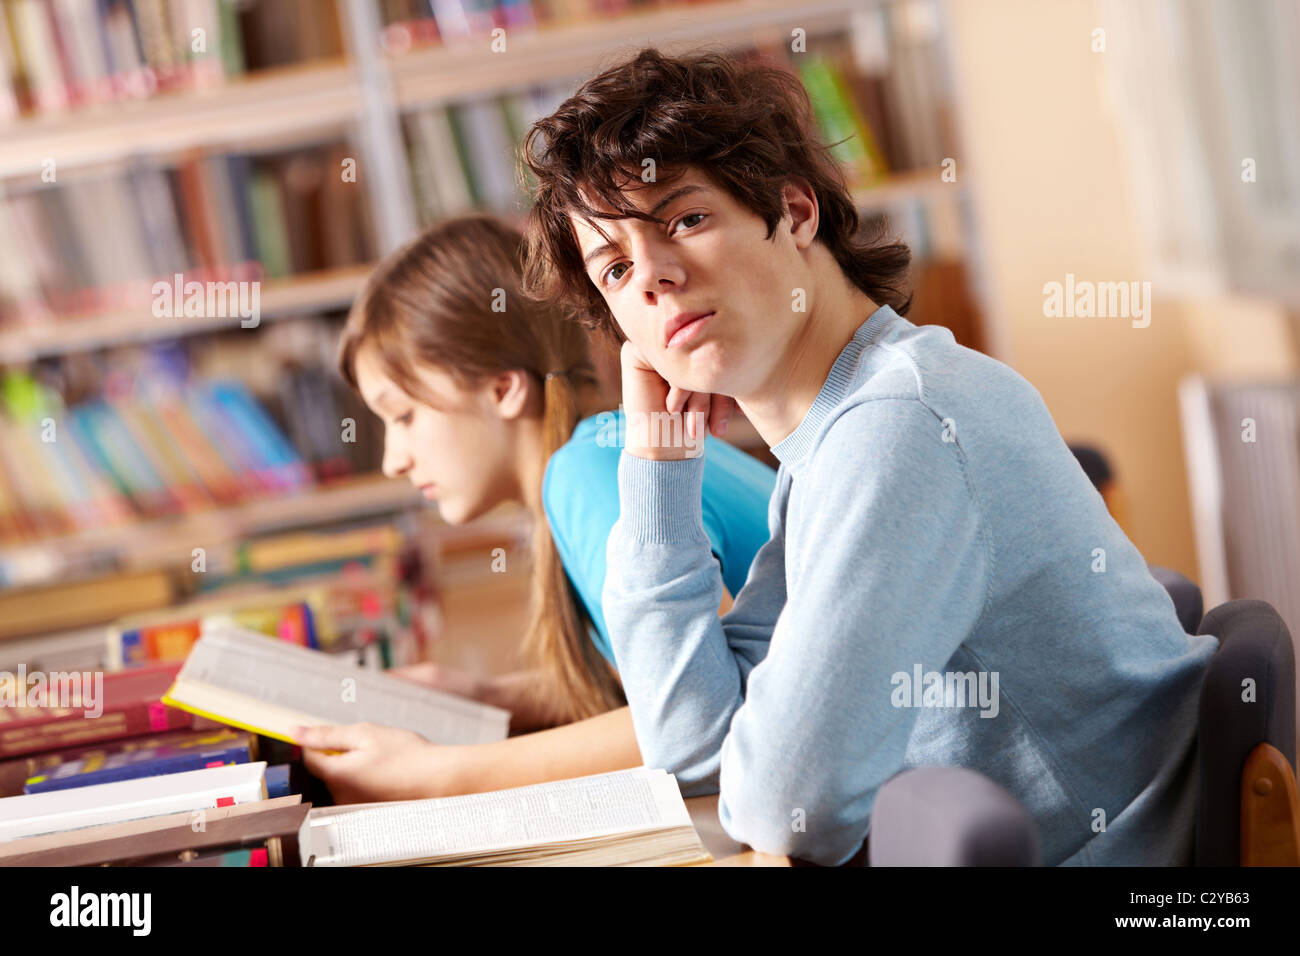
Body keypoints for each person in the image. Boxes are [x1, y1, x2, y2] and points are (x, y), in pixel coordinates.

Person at [519, 47, 1219, 865]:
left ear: (796, 210)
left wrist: (764, 754)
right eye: (614, 268)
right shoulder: (838, 433)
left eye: (684, 220)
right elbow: (690, 754)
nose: (654, 278)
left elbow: (789, 807)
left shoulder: (900, 426)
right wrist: (660, 467)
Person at [295, 214, 775, 803]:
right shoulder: (599, 455)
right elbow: (662, 679)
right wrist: (488, 697)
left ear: (503, 388)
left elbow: (711, 715)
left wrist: (441, 775)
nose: (394, 459)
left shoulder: (591, 472)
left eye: (403, 415)